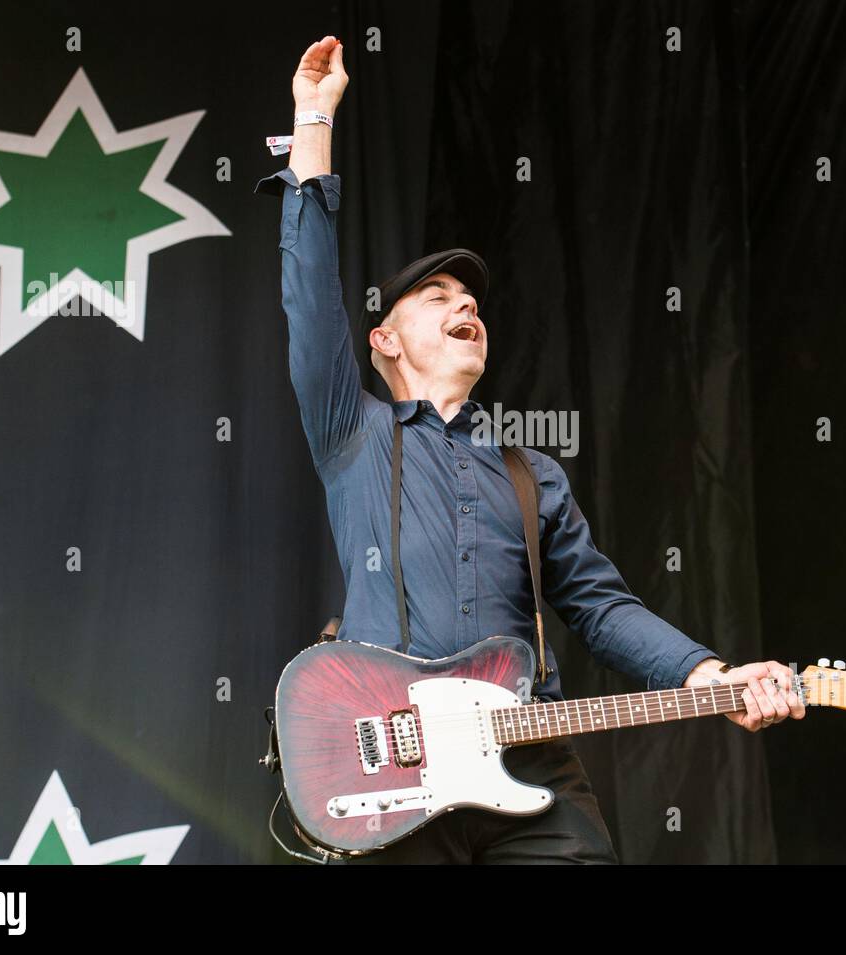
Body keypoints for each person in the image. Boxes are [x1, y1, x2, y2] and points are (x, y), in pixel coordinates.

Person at [255, 35, 805, 864]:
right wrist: (314, 119)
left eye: (471, 298)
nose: (463, 304)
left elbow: (600, 607)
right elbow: (307, 295)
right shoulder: (354, 431)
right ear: (385, 341)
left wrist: (706, 676)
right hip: (396, 765)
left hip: (529, 759)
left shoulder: (530, 475)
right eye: (436, 296)